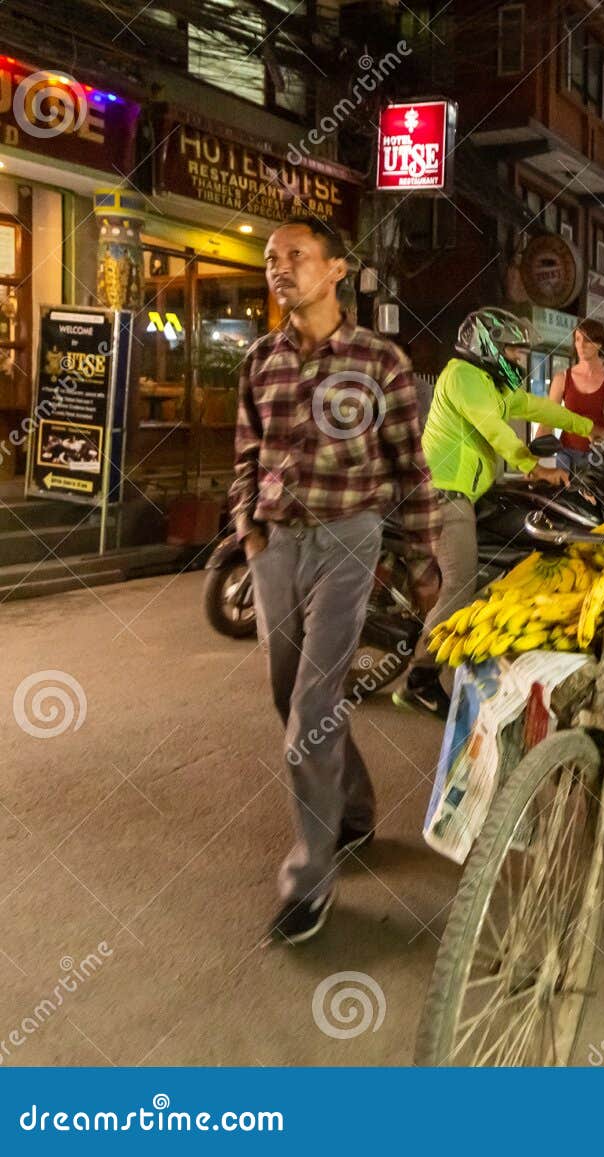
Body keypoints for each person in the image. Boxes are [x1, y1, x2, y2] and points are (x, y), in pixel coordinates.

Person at [231, 215, 442, 945]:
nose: (279, 267)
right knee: (288, 695)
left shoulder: (380, 361)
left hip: (350, 540)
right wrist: (248, 529)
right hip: (275, 543)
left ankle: (309, 878)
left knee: (311, 708)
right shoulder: (260, 359)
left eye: (296, 255)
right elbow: (246, 452)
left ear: (335, 270)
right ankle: (352, 811)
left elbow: (410, 466)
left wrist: (422, 558)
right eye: (271, 258)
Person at [393, 307, 594, 718]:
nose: (520, 358)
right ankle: (419, 680)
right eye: (514, 351)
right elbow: (494, 429)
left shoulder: (494, 386)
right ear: (489, 348)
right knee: (460, 583)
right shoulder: (463, 376)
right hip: (444, 493)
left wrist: (592, 428)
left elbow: (537, 408)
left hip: (472, 492)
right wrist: (534, 466)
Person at [539, 318, 604, 472]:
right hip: (566, 454)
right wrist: (533, 462)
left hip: (600, 457)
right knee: (564, 488)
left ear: (599, 344)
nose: (581, 345)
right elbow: (547, 421)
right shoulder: (562, 378)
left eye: (587, 340)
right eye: (577, 339)